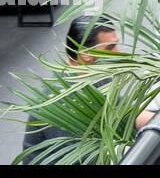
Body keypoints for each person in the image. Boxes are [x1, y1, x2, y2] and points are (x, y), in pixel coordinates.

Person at [20, 16, 119, 164]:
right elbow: (81, 158)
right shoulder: (59, 100)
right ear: (86, 54)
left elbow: (121, 110)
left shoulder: (99, 75)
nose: (119, 52)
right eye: (110, 48)